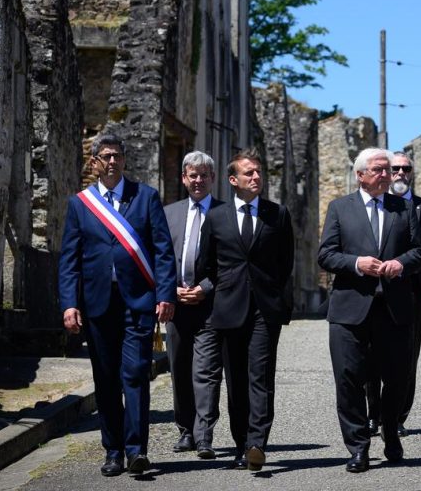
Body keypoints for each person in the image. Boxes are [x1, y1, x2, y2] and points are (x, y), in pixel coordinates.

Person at [58, 134, 177, 477]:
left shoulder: (146, 198)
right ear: (94, 161)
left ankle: (137, 450)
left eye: (118, 156)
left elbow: (163, 251)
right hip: (97, 305)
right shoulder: (81, 204)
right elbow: (70, 259)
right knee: (106, 379)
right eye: (106, 156)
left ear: (125, 160)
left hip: (137, 303)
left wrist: (165, 294)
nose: (112, 162)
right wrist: (69, 303)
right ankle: (113, 451)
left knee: (136, 374)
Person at [317, 147, 421, 473]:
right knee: (349, 380)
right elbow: (326, 254)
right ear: (360, 175)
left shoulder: (403, 209)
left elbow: (420, 251)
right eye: (379, 170)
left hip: (393, 310)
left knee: (396, 378)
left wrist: (400, 264)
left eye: (389, 170)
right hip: (350, 310)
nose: (387, 175)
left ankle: (390, 432)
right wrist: (356, 263)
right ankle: (358, 447)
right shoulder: (340, 208)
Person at [195, 149, 294, 472]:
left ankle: (256, 443)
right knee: (236, 381)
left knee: (261, 378)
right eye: (249, 173)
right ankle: (240, 444)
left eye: (258, 173)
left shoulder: (277, 215)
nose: (256, 178)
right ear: (233, 180)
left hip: (265, 310)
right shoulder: (217, 217)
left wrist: (280, 304)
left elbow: (285, 264)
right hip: (228, 310)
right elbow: (205, 265)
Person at [365, 151, 421, 438]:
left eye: (405, 169)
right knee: (372, 356)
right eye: (394, 168)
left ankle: (398, 416)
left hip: (410, 292)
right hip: (375, 291)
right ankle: (374, 414)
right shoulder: (371, 205)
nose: (399, 173)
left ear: (412, 173)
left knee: (407, 356)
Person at [162, 151, 225, 458]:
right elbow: (158, 258)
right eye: (192, 175)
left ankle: (204, 435)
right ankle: (185, 430)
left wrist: (205, 288)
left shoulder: (226, 215)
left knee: (207, 370)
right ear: (184, 178)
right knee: (179, 367)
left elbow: (230, 264)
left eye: (204, 175)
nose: (198, 181)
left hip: (210, 305)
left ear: (212, 178)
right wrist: (169, 290)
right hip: (175, 304)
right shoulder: (168, 213)